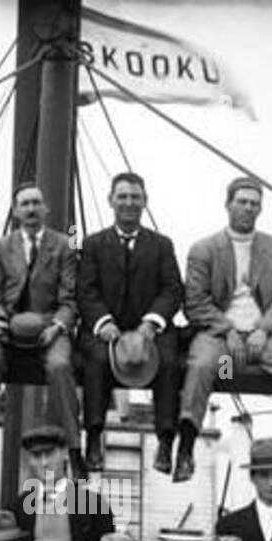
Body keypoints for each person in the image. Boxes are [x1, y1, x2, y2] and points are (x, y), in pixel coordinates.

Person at [180, 176, 272, 485]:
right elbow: (195, 302)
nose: (247, 208)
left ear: (260, 209)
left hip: (267, 336)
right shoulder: (204, 249)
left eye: (254, 203)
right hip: (220, 338)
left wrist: (263, 328)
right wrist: (226, 329)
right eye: (242, 202)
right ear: (228, 204)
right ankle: (185, 449)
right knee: (202, 366)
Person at [76, 171, 184, 475]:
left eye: (135, 197)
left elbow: (173, 289)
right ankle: (94, 437)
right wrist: (103, 323)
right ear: (111, 201)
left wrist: (151, 324)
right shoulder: (92, 244)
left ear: (145, 202)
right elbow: (86, 290)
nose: (129, 203)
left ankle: (165, 440)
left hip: (148, 330)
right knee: (96, 360)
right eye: (122, 197)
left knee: (169, 362)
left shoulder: (162, 245)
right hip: (106, 330)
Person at [0, 182, 82, 479]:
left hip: (49, 324)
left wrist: (57, 326)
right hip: (9, 326)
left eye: (37, 203)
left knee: (61, 366)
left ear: (46, 208)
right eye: (24, 204)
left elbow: (69, 299)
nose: (31, 209)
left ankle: (75, 449)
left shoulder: (65, 246)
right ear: (15, 211)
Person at [8, 424, 115, 541]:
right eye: (36, 456)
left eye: (49, 453)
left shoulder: (94, 505)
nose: (43, 463)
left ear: (65, 453)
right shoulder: (19, 508)